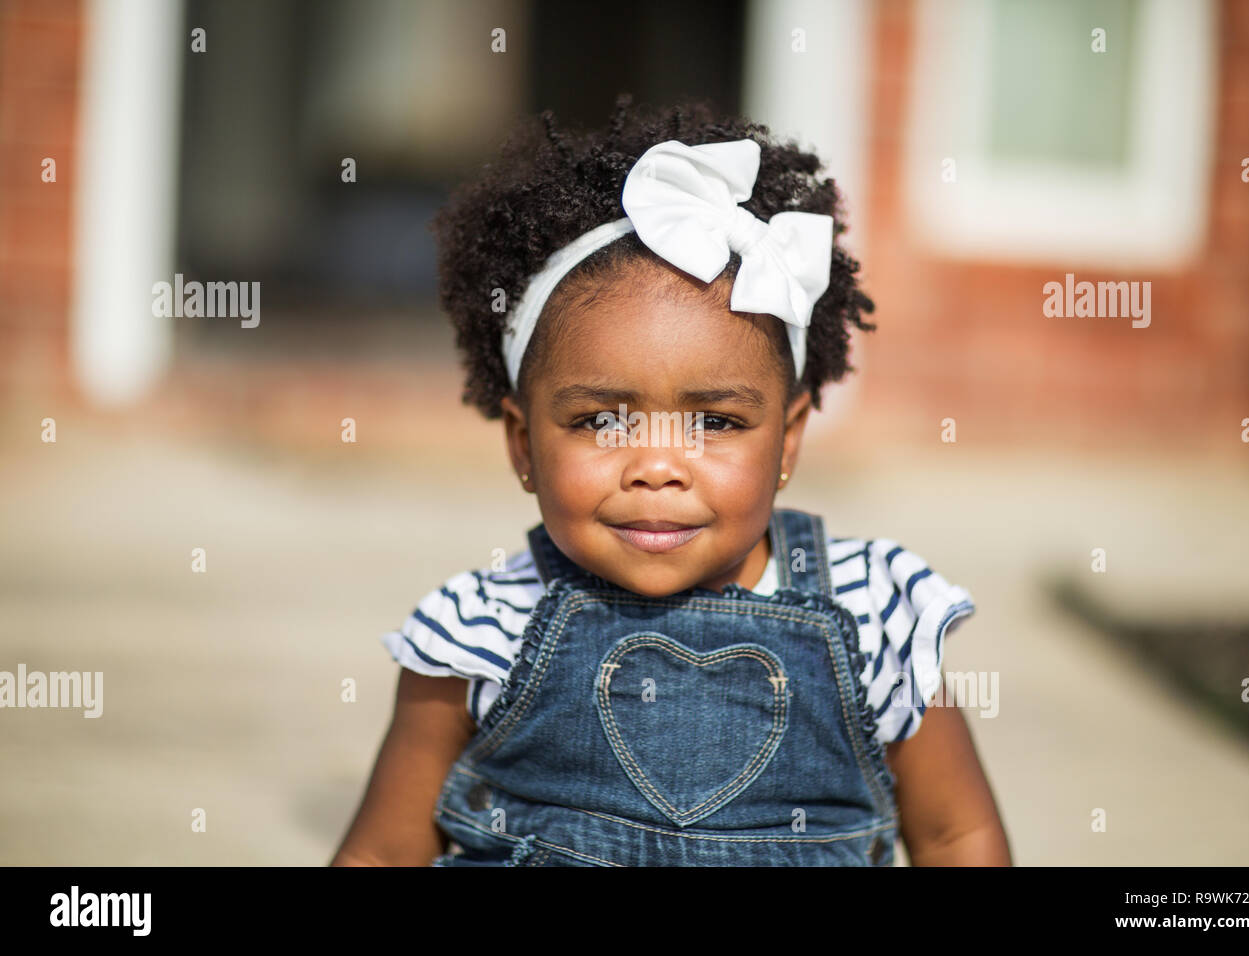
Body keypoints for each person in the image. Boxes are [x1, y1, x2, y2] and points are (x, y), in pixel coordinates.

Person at [332, 95, 1012, 866]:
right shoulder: (482, 628)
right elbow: (381, 853)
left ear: (787, 438)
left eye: (715, 423)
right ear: (523, 443)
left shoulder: (875, 612)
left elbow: (957, 834)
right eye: (600, 420)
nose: (656, 467)